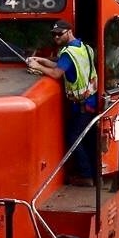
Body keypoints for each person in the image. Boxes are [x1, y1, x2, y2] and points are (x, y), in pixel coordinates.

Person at [29, 19, 99, 181]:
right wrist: (40, 60)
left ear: (69, 31)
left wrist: (37, 67)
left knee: (73, 138)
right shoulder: (85, 48)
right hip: (91, 100)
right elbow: (61, 64)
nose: (56, 37)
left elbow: (57, 73)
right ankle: (95, 174)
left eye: (59, 34)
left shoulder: (68, 53)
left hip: (81, 105)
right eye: (54, 34)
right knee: (87, 139)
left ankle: (86, 175)